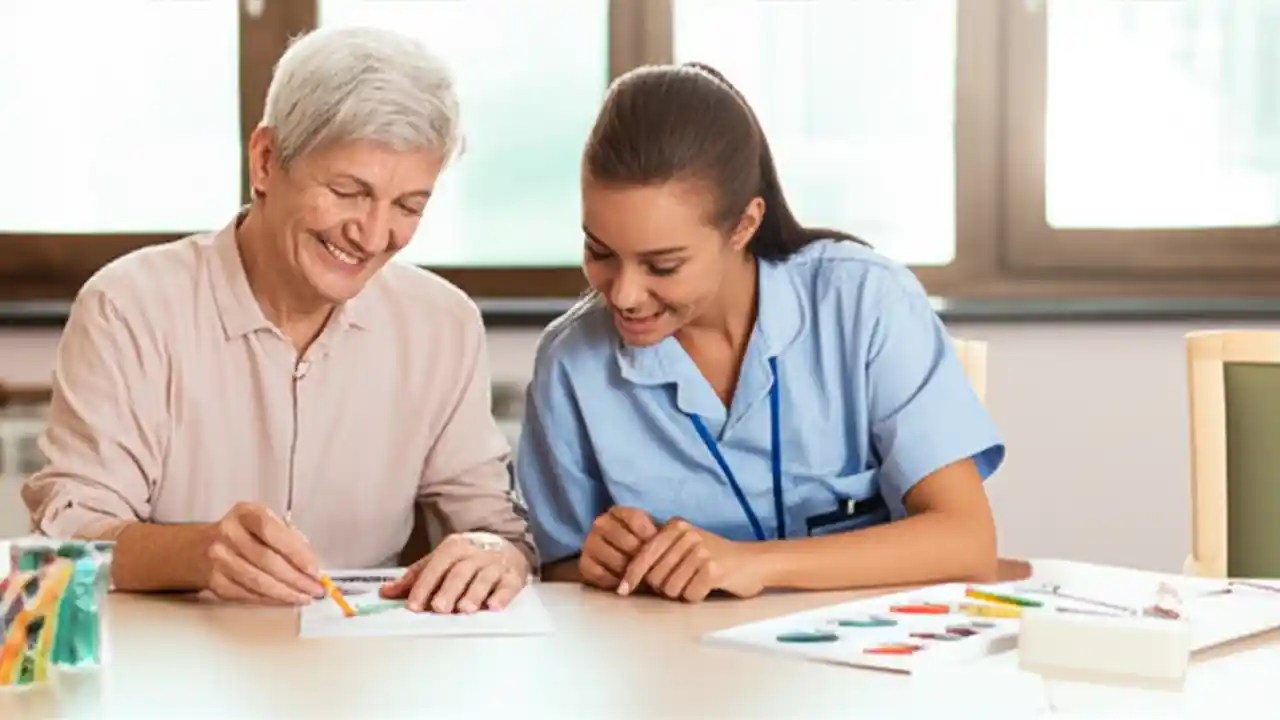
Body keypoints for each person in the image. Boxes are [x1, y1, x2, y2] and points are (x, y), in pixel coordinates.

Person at [22, 27, 534, 614]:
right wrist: (196, 553)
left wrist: (492, 550)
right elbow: (67, 546)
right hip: (173, 671)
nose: (371, 235)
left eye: (408, 206)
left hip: (363, 676)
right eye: (348, 191)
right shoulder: (129, 308)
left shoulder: (443, 324)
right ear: (266, 162)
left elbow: (500, 531)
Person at [515, 62, 1005, 603]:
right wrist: (593, 562)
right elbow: (556, 569)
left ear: (744, 225)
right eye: (600, 252)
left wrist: (752, 563)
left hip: (860, 666)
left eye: (663, 265)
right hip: (672, 673)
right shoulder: (570, 364)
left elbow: (966, 540)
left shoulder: (865, 302)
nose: (624, 294)